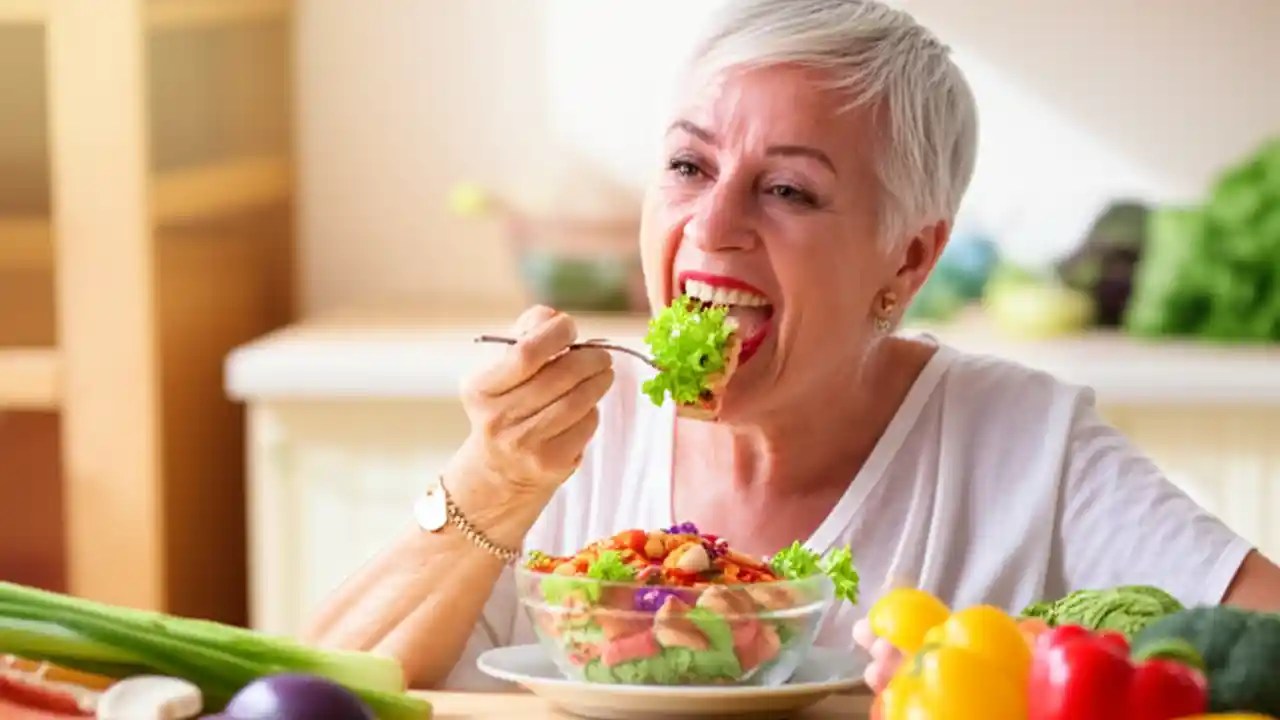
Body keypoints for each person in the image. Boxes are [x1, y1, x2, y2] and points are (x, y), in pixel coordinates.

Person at [303, 0, 1280, 693]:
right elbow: (309, 693)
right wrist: (490, 483)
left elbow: (1259, 642)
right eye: (688, 166)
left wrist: (1028, 675)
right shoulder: (557, 440)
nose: (712, 224)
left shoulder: (1023, 444)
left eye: (788, 190)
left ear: (905, 257)